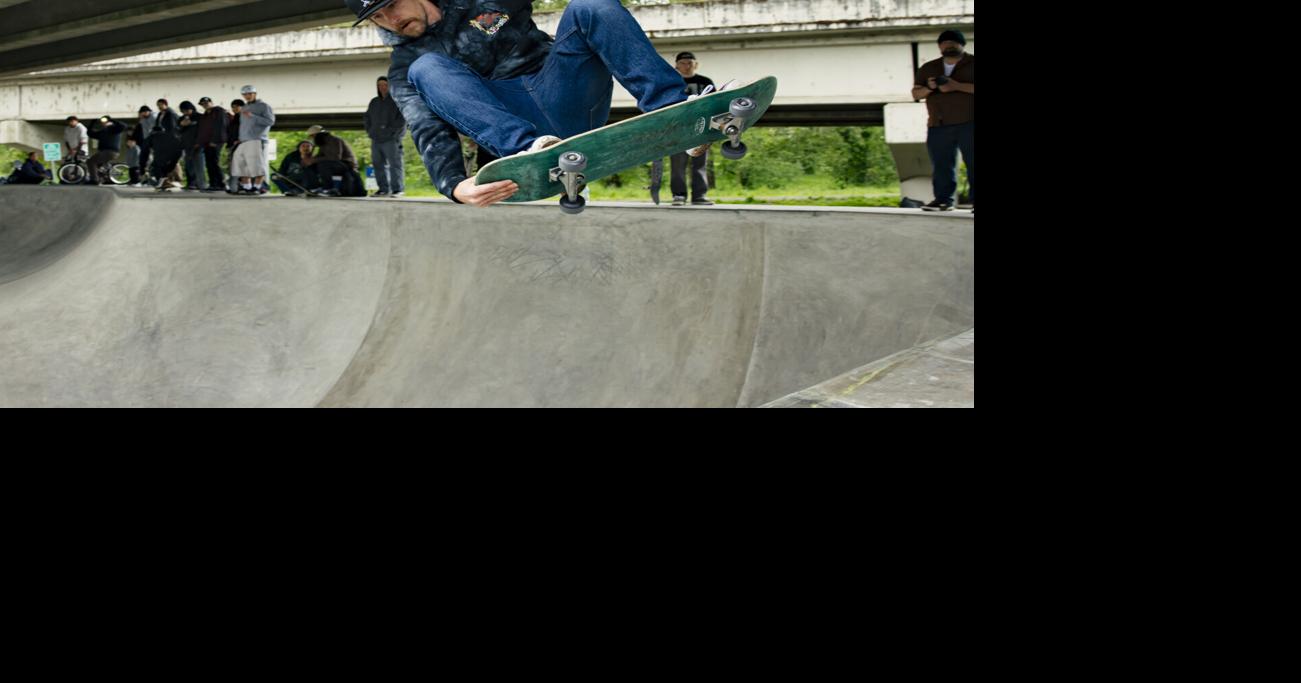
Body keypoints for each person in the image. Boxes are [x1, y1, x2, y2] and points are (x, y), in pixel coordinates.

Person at [346, 0, 695, 207]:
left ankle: (674, 108)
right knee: (426, 67)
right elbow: (427, 129)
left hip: (566, 88)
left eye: (392, 5)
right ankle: (531, 149)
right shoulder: (404, 67)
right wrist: (453, 185)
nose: (391, 20)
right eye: (378, 17)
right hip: (513, 123)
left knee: (590, 5)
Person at [910, 29, 974, 212]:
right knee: (941, 164)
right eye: (945, 43)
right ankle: (943, 200)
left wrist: (956, 86)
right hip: (938, 124)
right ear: (939, 47)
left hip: (970, 122)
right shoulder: (929, 68)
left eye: (954, 43)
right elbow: (915, 93)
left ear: (962, 45)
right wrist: (930, 88)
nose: (949, 46)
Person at [656, 51, 714, 206]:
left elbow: (714, 103)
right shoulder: (671, 82)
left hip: (701, 128)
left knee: (700, 163)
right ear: (677, 65)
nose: (686, 66)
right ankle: (679, 195)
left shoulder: (705, 82)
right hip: (678, 129)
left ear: (695, 64)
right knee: (677, 164)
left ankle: (699, 196)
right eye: (683, 63)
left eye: (690, 63)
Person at [364, 75, 407, 196]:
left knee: (395, 164)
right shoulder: (374, 102)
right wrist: (370, 131)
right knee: (378, 164)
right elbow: (367, 118)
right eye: (379, 85)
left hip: (391, 140)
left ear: (390, 86)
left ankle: (398, 189)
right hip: (376, 139)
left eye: (385, 85)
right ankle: (383, 189)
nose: (382, 87)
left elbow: (402, 120)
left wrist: (391, 132)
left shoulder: (396, 101)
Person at [232, 85, 275, 195]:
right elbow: (244, 126)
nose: (247, 96)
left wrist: (253, 116)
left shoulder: (264, 106)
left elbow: (270, 122)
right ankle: (247, 188)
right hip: (244, 141)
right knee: (242, 165)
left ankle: (257, 187)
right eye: (245, 94)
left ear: (255, 94)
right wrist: (239, 138)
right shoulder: (244, 107)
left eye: (250, 94)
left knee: (258, 166)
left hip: (257, 139)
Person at [195, 97, 229, 191]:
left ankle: (221, 184)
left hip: (216, 141)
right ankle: (213, 183)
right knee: (209, 163)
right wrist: (199, 142)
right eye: (203, 104)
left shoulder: (219, 112)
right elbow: (202, 130)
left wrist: (215, 141)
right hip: (206, 142)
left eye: (206, 103)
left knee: (214, 162)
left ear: (211, 102)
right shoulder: (205, 115)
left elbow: (221, 126)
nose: (205, 105)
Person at [86, 115, 127, 185]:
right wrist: (92, 123)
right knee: (98, 165)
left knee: (91, 162)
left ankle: (94, 180)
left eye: (106, 122)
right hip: (105, 152)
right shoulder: (102, 132)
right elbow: (90, 134)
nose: (104, 124)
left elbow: (123, 126)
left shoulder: (114, 130)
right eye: (103, 123)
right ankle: (103, 178)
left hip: (110, 151)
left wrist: (112, 120)